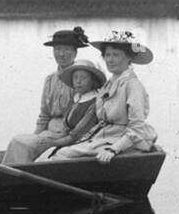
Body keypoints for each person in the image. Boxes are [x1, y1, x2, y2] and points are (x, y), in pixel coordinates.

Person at [49, 30, 158, 162]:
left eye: (116, 55)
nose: (110, 60)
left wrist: (114, 149)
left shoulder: (132, 85)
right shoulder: (110, 83)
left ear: (128, 58)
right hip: (104, 136)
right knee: (58, 152)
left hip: (122, 140)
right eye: (107, 55)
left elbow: (137, 127)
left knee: (61, 156)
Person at [2, 26, 98, 164]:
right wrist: (35, 138)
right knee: (22, 143)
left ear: (75, 53)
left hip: (66, 135)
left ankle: (11, 179)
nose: (62, 54)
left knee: (18, 142)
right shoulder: (50, 80)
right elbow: (44, 115)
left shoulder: (81, 79)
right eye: (58, 49)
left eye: (66, 49)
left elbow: (85, 113)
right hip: (48, 133)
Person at [33, 60, 106, 158]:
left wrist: (53, 143)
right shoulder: (77, 98)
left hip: (83, 142)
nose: (78, 81)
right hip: (68, 140)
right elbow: (66, 127)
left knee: (51, 157)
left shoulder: (95, 102)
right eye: (75, 77)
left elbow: (77, 135)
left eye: (83, 78)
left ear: (92, 81)